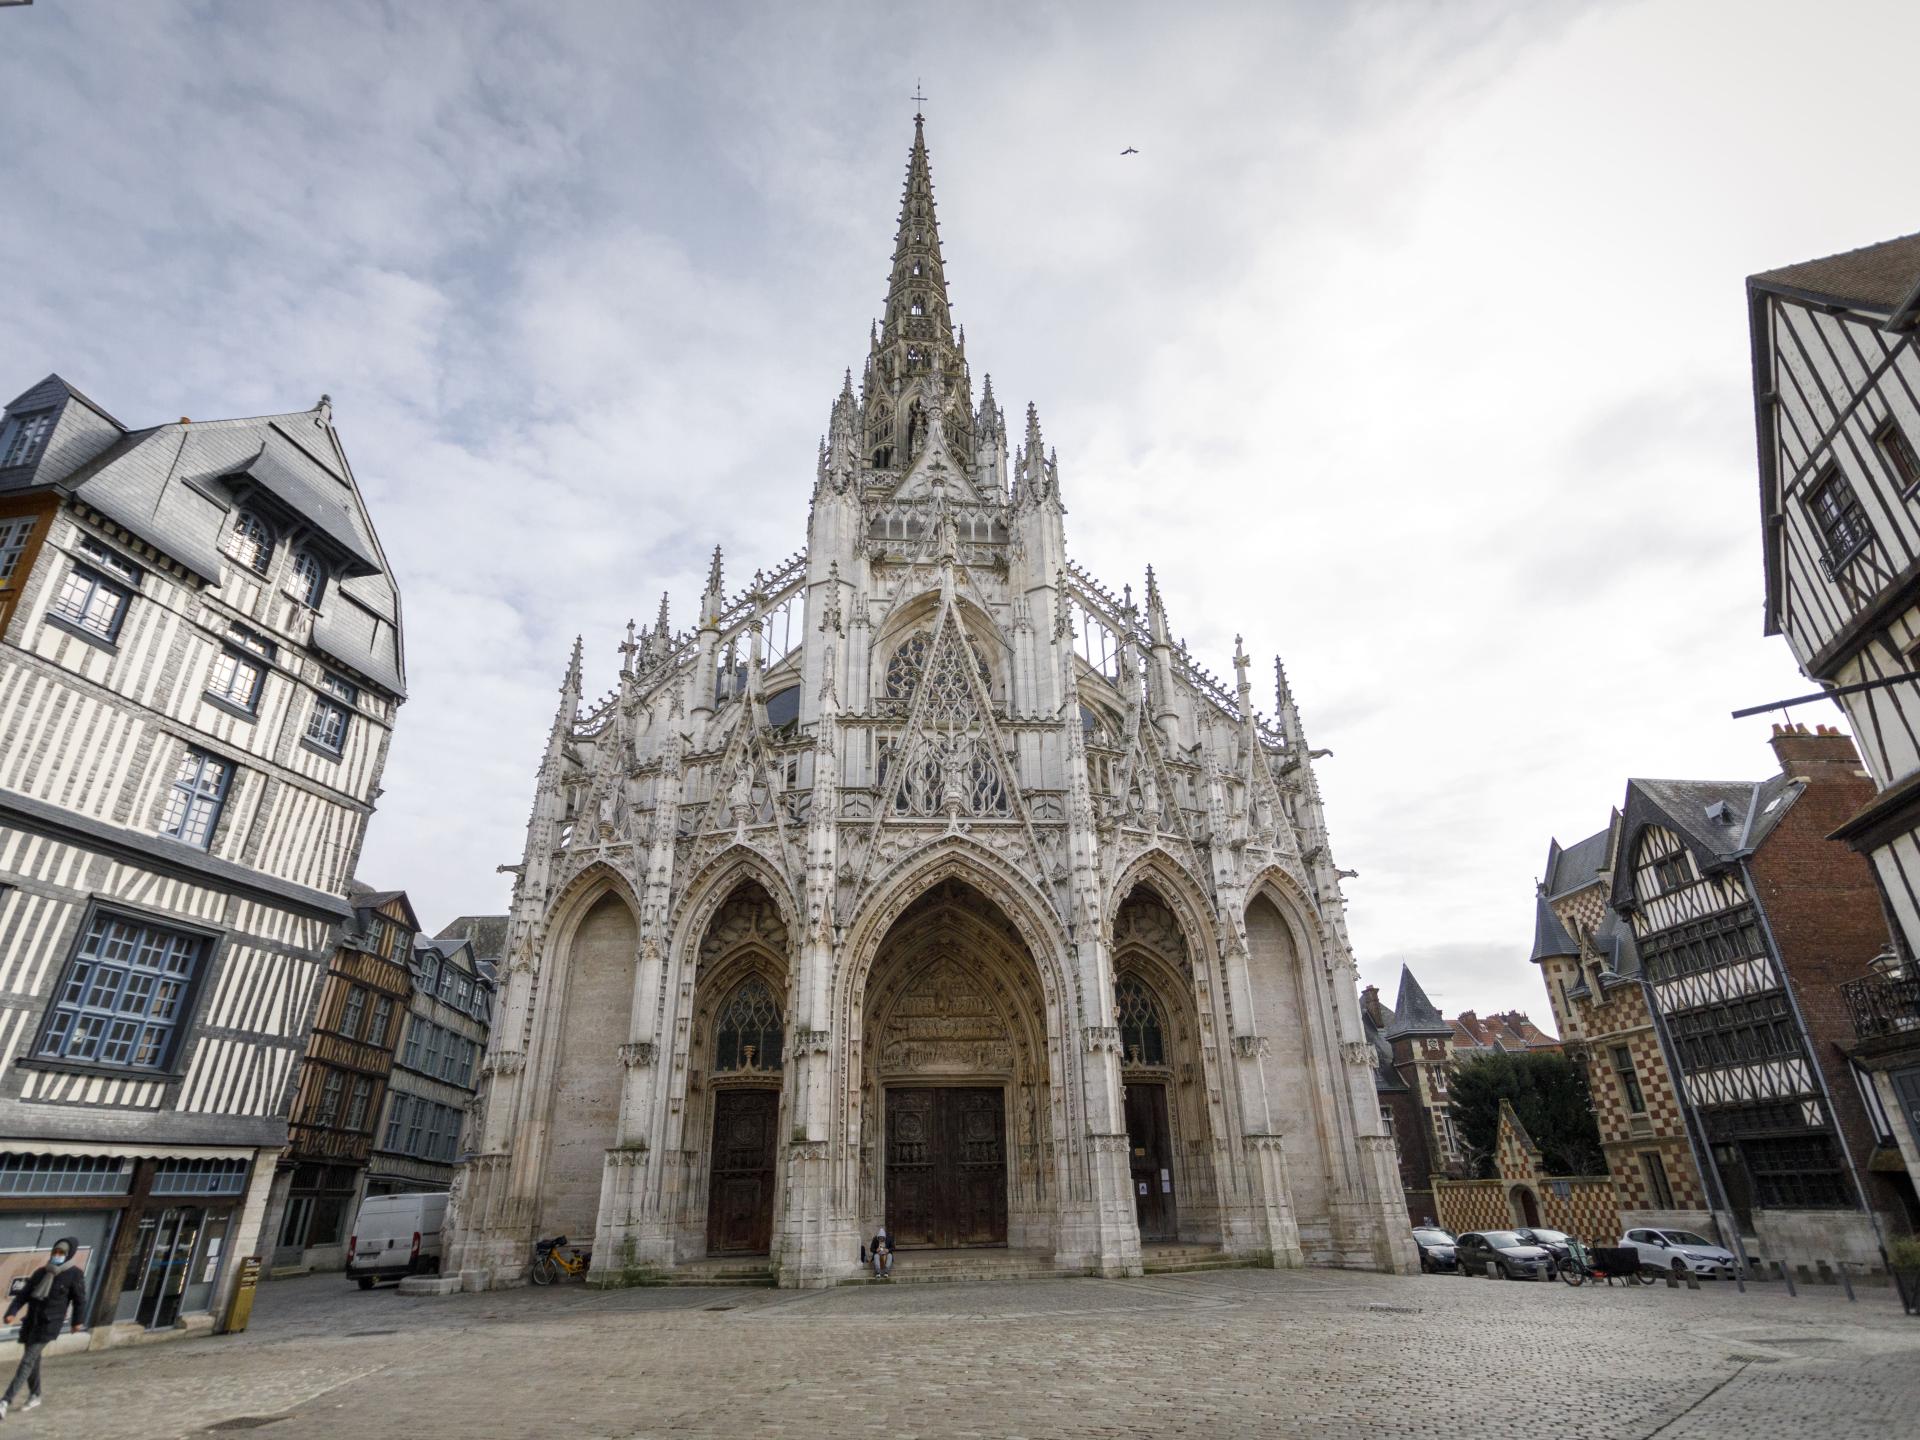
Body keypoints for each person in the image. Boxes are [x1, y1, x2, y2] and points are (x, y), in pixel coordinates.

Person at [2, 1237, 87, 1419]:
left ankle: (5, 1401)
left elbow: (80, 1300)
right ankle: (36, 1394)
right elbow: (23, 1295)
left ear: (68, 1254)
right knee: (33, 1361)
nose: (57, 1255)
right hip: (31, 1322)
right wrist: (12, 1312)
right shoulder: (41, 1272)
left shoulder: (74, 1274)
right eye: (55, 1252)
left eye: (61, 1253)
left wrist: (76, 1322)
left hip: (49, 1325)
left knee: (27, 1361)